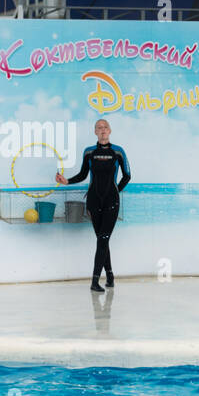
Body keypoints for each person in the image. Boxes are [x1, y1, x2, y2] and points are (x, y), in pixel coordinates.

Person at [57, 118, 131, 292]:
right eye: (99, 128)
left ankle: (95, 281)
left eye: (105, 127)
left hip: (111, 201)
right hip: (93, 201)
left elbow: (127, 175)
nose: (102, 130)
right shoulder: (88, 152)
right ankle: (110, 276)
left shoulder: (118, 151)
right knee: (101, 240)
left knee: (103, 239)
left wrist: (116, 191)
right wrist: (66, 181)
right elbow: (83, 174)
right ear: (95, 132)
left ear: (110, 130)